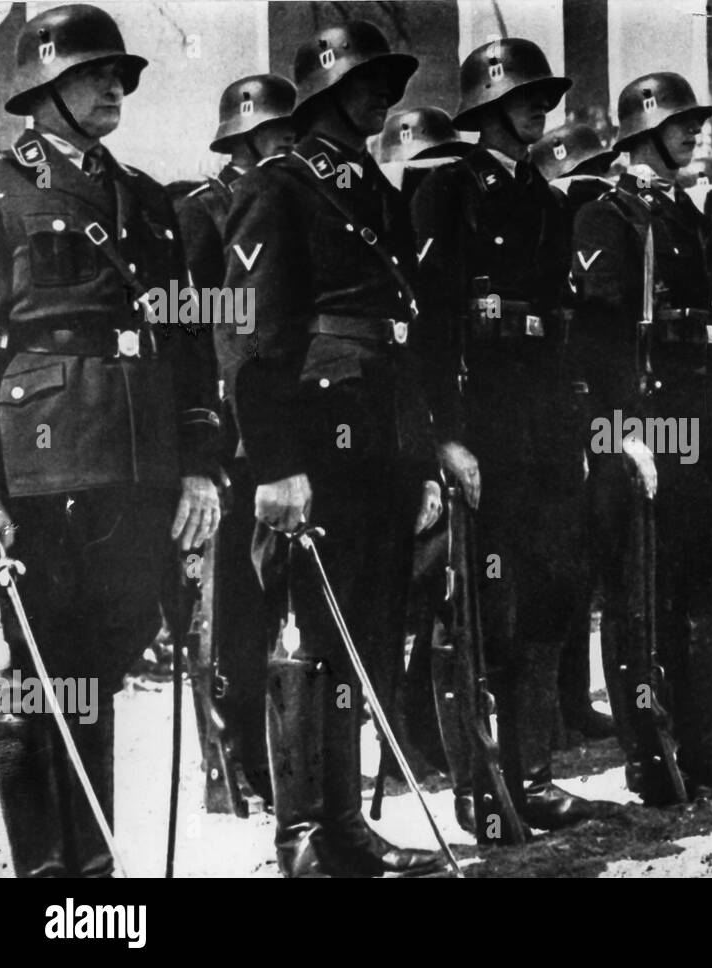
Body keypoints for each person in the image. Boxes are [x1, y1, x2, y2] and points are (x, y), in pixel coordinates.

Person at [0, 3, 221, 876]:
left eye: (121, 75)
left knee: (106, 658)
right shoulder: (3, 192)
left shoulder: (147, 199)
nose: (114, 87)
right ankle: (57, 873)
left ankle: (91, 867)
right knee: (43, 672)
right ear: (44, 85)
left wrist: (199, 465)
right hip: (42, 463)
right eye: (96, 73)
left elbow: (189, 335)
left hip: (138, 459)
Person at [219, 20, 447, 877]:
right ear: (318, 92)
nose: (379, 95)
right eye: (360, 81)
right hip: (317, 436)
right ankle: (305, 839)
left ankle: (345, 827)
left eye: (387, 80)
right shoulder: (281, 184)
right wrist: (274, 463)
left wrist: (420, 456)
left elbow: (405, 335)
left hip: (377, 435)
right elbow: (251, 337)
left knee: (364, 628)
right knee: (310, 632)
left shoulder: (374, 189)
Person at [411, 38, 618, 837]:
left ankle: (533, 777)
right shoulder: (449, 189)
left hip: (544, 425)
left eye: (544, 96)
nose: (541, 107)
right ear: (487, 106)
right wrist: (445, 437)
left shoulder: (546, 195)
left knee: (552, 595)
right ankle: (477, 786)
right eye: (525, 96)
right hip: (484, 425)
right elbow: (430, 324)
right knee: (479, 608)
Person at [570, 71, 712, 801]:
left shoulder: (687, 214)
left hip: (701, 416)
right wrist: (621, 430)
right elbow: (599, 334)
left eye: (695, 121)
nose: (695, 131)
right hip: (647, 419)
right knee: (639, 589)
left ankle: (702, 742)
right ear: (642, 129)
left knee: (700, 582)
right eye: (680, 122)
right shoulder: (610, 213)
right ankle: (647, 755)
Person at [175, 73, 297, 814]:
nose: (291, 144)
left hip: (281, 430)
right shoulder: (203, 211)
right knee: (229, 611)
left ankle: (267, 753)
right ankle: (229, 761)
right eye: (280, 133)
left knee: (274, 601)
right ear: (246, 134)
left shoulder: (289, 205)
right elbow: (193, 326)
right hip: (229, 435)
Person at [531, 120, 620, 742]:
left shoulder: (597, 232)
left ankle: (571, 702)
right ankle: (555, 710)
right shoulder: (550, 234)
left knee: (581, 563)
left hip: (590, 409)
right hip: (556, 414)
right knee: (553, 564)